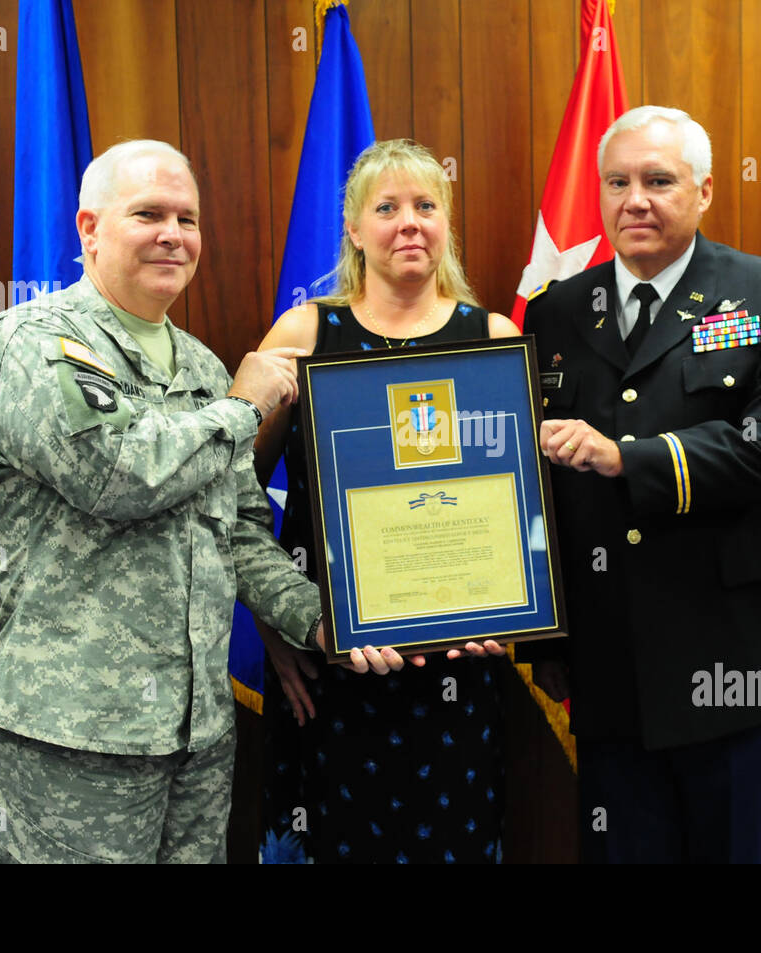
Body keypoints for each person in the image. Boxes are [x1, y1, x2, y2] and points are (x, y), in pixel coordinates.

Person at [0, 139, 409, 864]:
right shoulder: (34, 344)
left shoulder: (199, 365)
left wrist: (324, 623)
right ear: (89, 228)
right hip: (73, 735)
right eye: (148, 214)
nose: (173, 234)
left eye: (187, 219)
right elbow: (119, 477)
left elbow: (240, 532)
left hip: (195, 733)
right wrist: (242, 408)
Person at [521, 107, 761, 863]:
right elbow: (531, 491)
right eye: (618, 182)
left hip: (733, 657)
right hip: (609, 660)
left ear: (703, 192)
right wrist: (541, 630)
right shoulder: (556, 311)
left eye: (659, 181)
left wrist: (628, 458)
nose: (636, 199)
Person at [252, 139, 517, 864]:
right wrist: (278, 627)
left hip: (459, 672)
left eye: (427, 205)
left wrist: (512, 609)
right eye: (388, 207)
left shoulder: (491, 337)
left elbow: (521, 504)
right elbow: (229, 491)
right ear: (353, 227)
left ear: (446, 223)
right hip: (331, 666)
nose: (410, 222)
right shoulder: (306, 334)